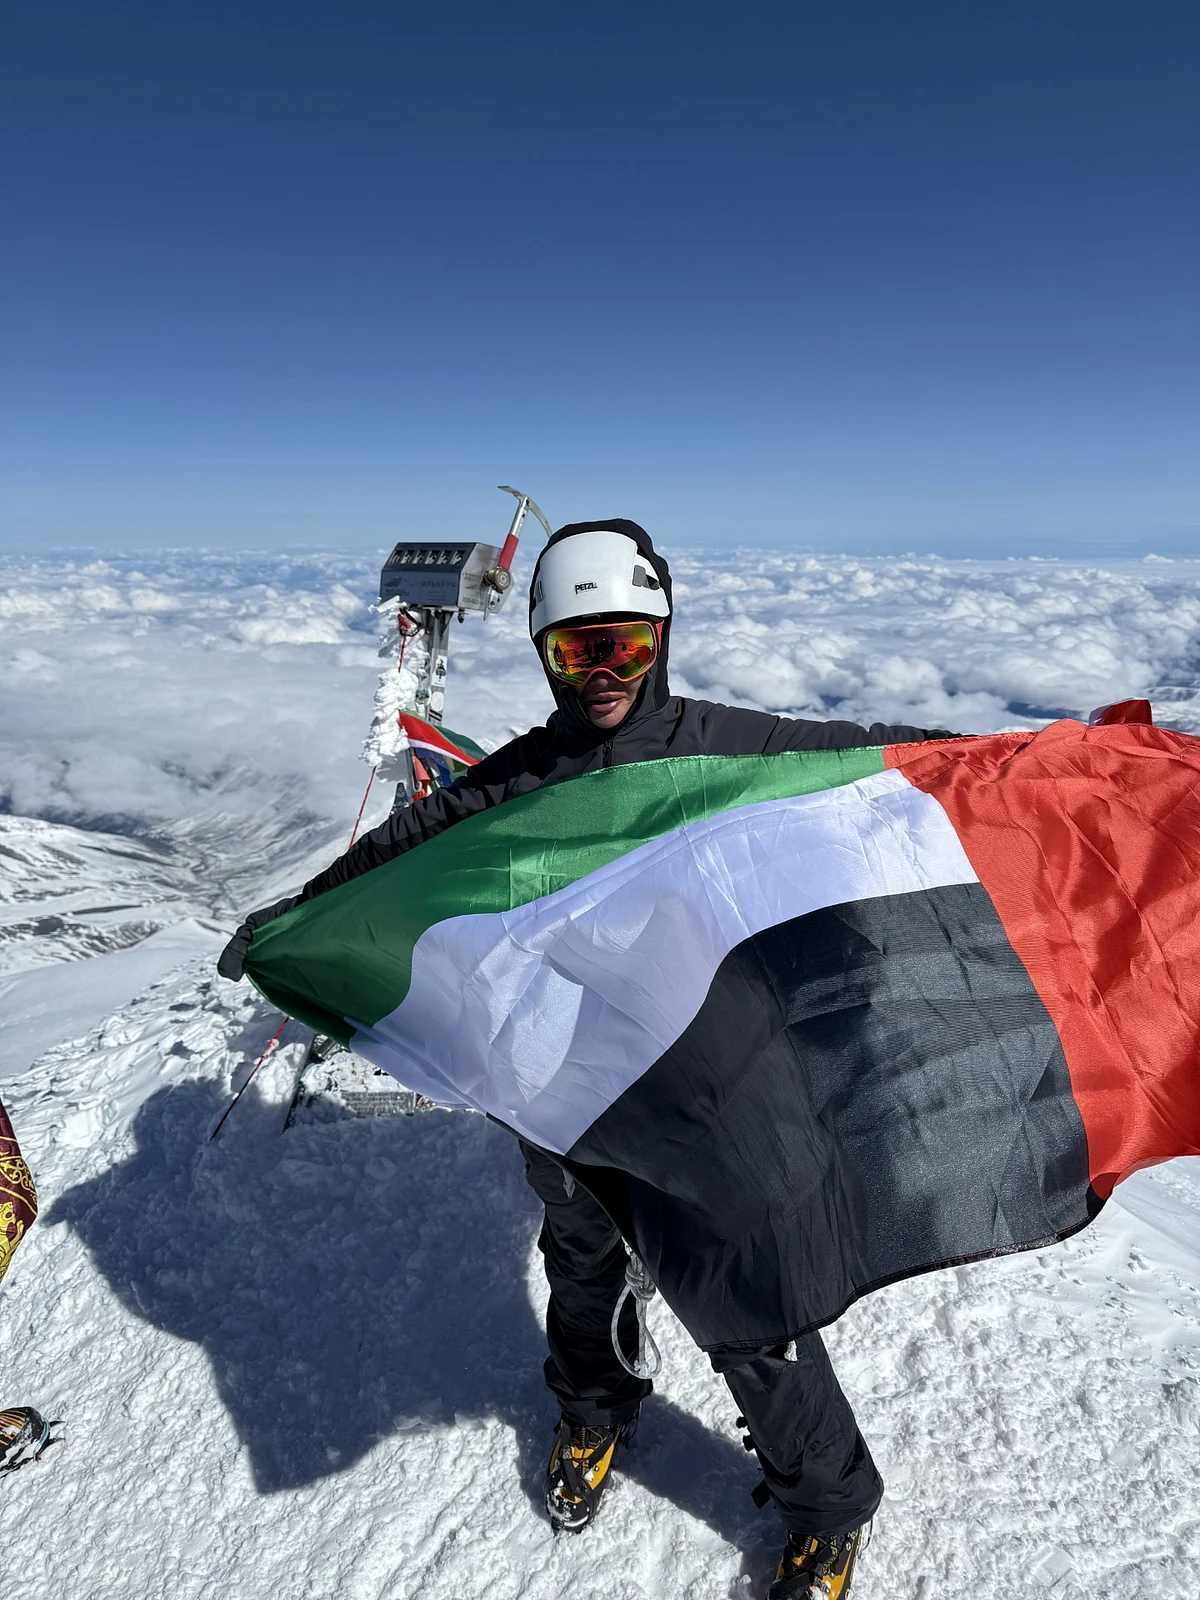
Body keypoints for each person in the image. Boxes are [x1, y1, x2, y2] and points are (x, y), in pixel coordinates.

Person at [220, 520, 955, 1599]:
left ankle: (827, 1503)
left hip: (710, 1083)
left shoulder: (727, 747)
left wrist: (1034, 762)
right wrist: (294, 916)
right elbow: (403, 849)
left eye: (621, 643)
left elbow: (876, 762)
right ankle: (593, 1404)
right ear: (545, 656)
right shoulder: (518, 780)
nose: (603, 672)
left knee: (747, 1294)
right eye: (575, 650)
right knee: (582, 1255)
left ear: (660, 636)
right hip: (563, 1081)